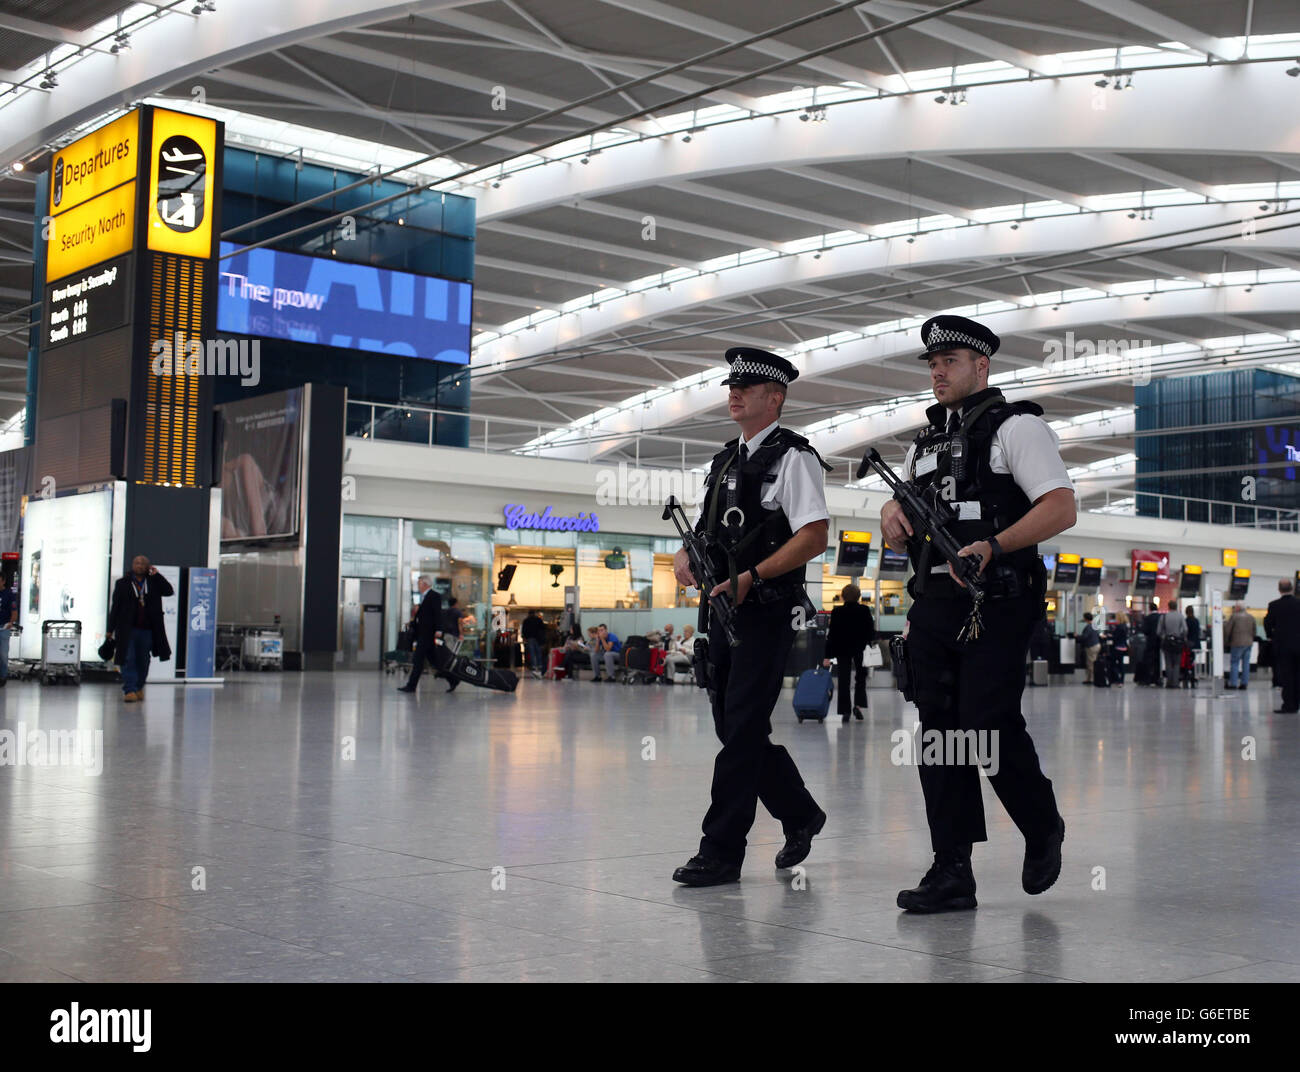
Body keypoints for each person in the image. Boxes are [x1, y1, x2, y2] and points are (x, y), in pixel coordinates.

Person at [881, 314, 1076, 913]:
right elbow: (899, 526)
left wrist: (995, 545)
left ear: (981, 366)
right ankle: (952, 869)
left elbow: (1061, 507)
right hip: (936, 601)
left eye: (950, 362)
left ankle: (1041, 825)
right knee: (939, 732)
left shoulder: (1015, 428)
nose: (938, 372)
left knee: (985, 723)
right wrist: (890, 514)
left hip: (999, 599)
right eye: (932, 364)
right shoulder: (923, 444)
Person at [670, 347, 831, 887]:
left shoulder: (795, 459)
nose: (733, 394)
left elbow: (813, 535)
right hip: (720, 609)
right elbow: (708, 534)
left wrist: (753, 578)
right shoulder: (724, 462)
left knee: (740, 727)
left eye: (747, 388)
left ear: (775, 398)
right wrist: (684, 558)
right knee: (731, 724)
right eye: (731, 387)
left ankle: (721, 850)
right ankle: (800, 812)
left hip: (764, 611)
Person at [106, 555, 174, 703]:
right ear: (132, 565)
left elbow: (169, 591)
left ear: (148, 566)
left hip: (148, 629)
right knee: (128, 658)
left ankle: (138, 686)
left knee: (143, 660)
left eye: (143, 563)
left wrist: (157, 575)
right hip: (127, 629)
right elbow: (115, 607)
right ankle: (129, 689)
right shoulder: (123, 583)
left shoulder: (153, 582)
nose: (140, 565)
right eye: (137, 562)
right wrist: (110, 629)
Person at [823, 583, 875, 722]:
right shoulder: (864, 610)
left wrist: (827, 656)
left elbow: (832, 635)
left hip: (842, 649)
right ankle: (858, 706)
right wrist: (869, 643)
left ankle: (845, 711)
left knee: (844, 680)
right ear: (858, 596)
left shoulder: (837, 612)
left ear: (843, 596)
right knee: (860, 678)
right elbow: (870, 630)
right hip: (860, 648)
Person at [397, 576, 456, 693]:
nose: (418, 586)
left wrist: (439, 630)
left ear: (425, 584)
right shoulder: (425, 597)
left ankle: (411, 686)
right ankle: (453, 679)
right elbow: (423, 616)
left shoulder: (434, 596)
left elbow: (437, 614)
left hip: (428, 635)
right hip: (423, 634)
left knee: (418, 660)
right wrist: (412, 623)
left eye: (419, 584)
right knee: (435, 662)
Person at [1264, 580, 1300, 713]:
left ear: (1279, 590)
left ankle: (1289, 705)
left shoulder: (1274, 605)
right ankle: (1297, 703)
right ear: (1292, 588)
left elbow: (1268, 623)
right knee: (1298, 674)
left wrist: (1271, 636)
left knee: (1287, 675)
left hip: (1283, 646)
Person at [1224, 602, 1256, 690]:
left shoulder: (1234, 617)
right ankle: (1244, 683)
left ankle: (1233, 683)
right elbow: (1254, 631)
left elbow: (1227, 630)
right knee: (1246, 664)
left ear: (1237, 608)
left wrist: (1226, 641)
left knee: (1234, 663)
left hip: (1236, 643)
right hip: (1248, 643)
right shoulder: (1251, 617)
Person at [1156, 603, 1187, 689]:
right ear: (1176, 607)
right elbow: (1185, 629)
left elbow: (1158, 631)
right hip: (1177, 642)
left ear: (1168, 607)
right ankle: (1175, 683)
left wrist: (1164, 636)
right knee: (1177, 663)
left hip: (1167, 642)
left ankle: (1169, 682)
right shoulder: (1180, 616)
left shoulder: (1164, 617)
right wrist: (1181, 636)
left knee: (1168, 662)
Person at [0, 570, 17, 687]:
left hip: (3, 628)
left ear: (3, 581)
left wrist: (11, 622)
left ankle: (3, 676)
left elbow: (14, 611)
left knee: (3, 654)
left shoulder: (9, 594)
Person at [1027, 616, 1054, 684]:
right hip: (1043, 642)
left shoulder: (1033, 621)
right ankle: (1042, 678)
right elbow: (1051, 630)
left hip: (1035, 642)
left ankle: (1034, 678)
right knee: (1043, 660)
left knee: (1035, 660)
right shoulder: (1044, 622)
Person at [520, 609, 546, 679]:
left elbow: (523, 631)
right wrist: (543, 640)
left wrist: (524, 637)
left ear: (529, 614)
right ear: (535, 613)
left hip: (530, 638)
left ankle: (534, 667)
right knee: (538, 652)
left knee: (532, 653)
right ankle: (540, 666)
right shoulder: (539, 620)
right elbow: (543, 629)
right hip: (538, 639)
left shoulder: (526, 621)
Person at [1078, 614, 1101, 683]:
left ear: (1085, 619)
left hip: (1091, 646)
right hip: (1096, 645)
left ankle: (1091, 679)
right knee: (1092, 662)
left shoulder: (1088, 627)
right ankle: (1090, 678)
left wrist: (1077, 637)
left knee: (1091, 663)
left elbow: (1085, 637)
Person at [1108, 615, 1129, 684]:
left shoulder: (1119, 627)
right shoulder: (1126, 626)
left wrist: (1110, 636)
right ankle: (1122, 680)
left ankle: (1117, 679)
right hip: (1124, 647)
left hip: (1117, 647)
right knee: (1121, 664)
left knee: (1113, 664)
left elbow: (1115, 637)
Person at [1183, 605, 1201, 685]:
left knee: (1187, 661)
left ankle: (1186, 677)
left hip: (1188, 644)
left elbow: (1184, 632)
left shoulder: (1186, 621)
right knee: (1192, 660)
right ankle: (1193, 677)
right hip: (1196, 643)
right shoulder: (1196, 621)